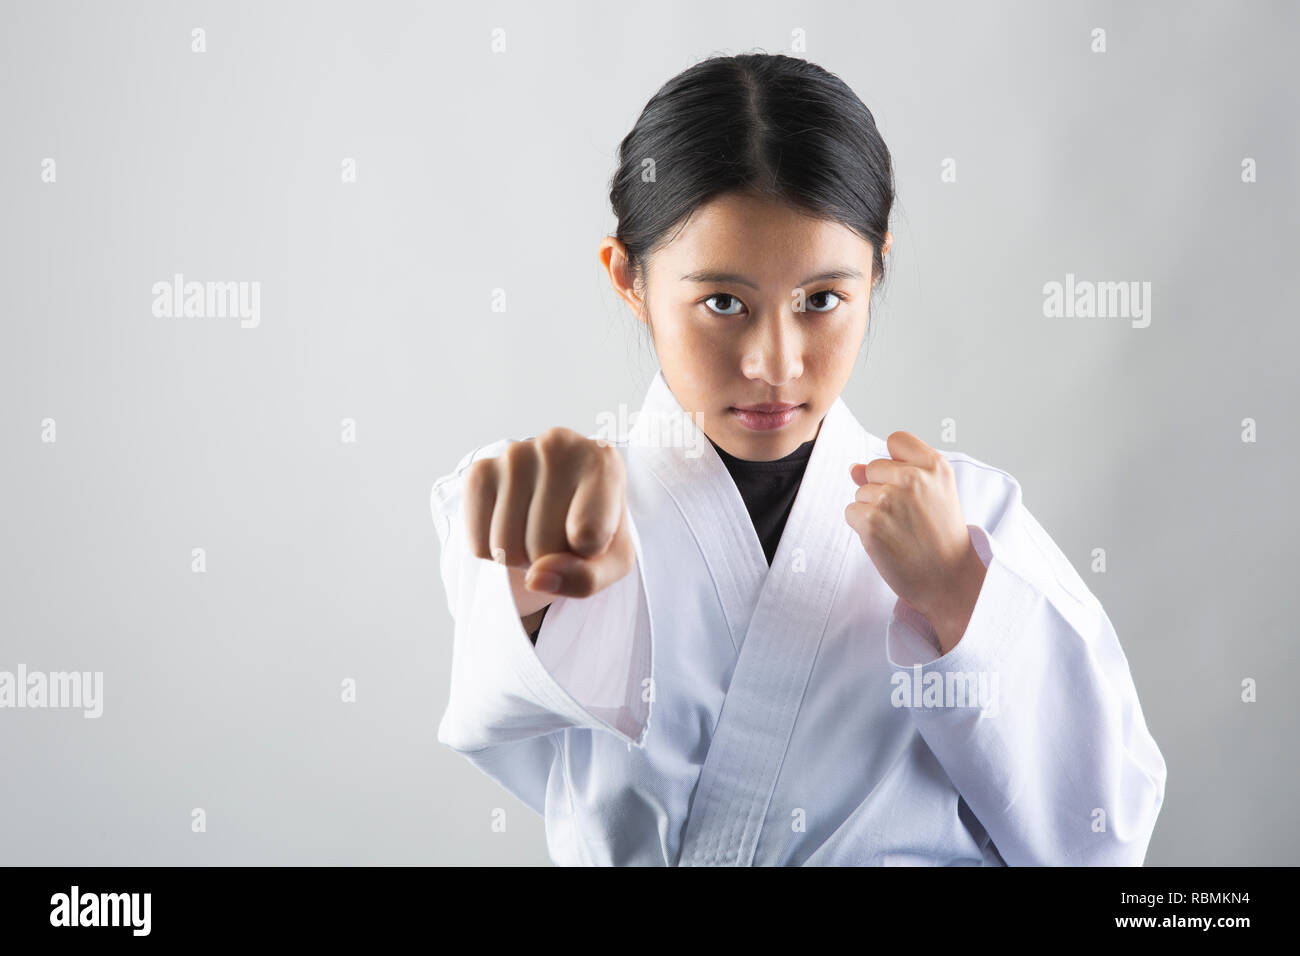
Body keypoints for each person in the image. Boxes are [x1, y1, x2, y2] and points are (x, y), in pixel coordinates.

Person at [430, 52, 1167, 866]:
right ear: (628, 280)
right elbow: (493, 702)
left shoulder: (974, 520)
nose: (774, 363)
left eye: (821, 300)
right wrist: (526, 578)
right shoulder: (558, 510)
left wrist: (960, 592)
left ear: (877, 266)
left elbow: (1101, 830)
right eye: (722, 303)